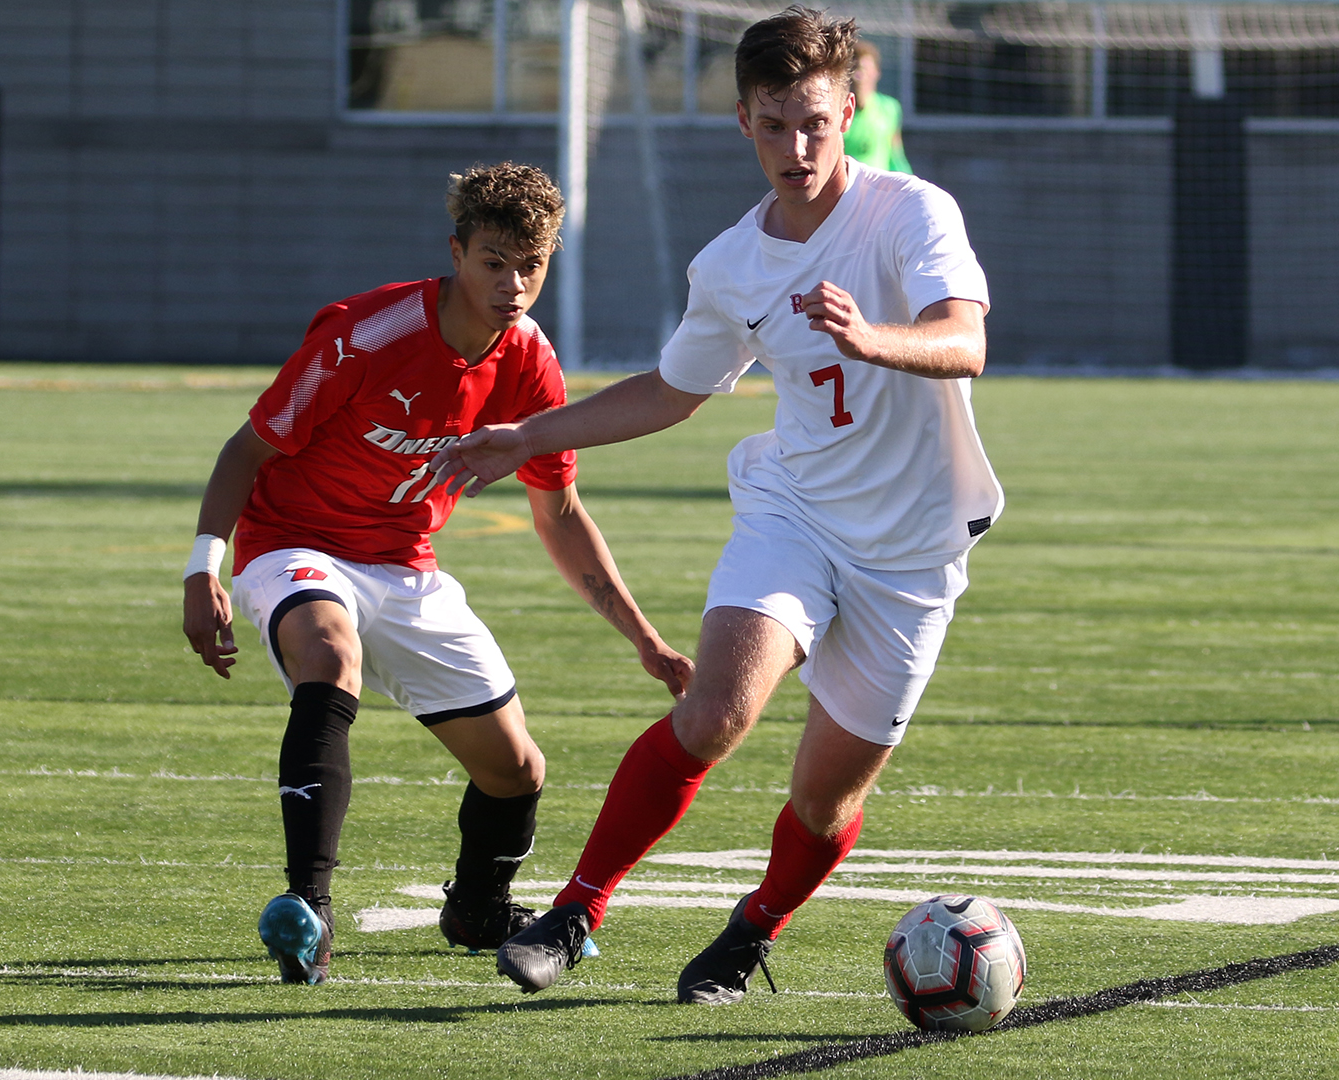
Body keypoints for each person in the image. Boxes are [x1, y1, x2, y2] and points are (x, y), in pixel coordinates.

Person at [432, 6, 1000, 1004]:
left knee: (825, 800)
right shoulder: (732, 263)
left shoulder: (911, 213)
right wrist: (530, 436)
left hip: (910, 552)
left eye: (815, 123)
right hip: (795, 513)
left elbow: (965, 342)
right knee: (717, 710)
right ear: (743, 120)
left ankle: (747, 936)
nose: (796, 147)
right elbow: (670, 391)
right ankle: (573, 912)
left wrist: (873, 339)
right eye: (774, 124)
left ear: (848, 111)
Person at [180, 162, 693, 985]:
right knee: (329, 651)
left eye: (531, 264)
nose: (513, 283)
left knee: (516, 769)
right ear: (456, 252)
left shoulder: (529, 361)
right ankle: (308, 909)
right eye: (493, 261)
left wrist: (648, 641)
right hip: (295, 544)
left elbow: (558, 512)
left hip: (408, 568)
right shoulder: (369, 334)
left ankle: (479, 908)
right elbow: (246, 450)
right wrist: (202, 568)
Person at [842, 39, 911, 174]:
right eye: (853, 69)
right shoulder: (836, 111)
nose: (858, 76)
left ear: (876, 72)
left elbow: (896, 155)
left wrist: (908, 181)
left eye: (864, 69)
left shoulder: (889, 108)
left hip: (879, 190)